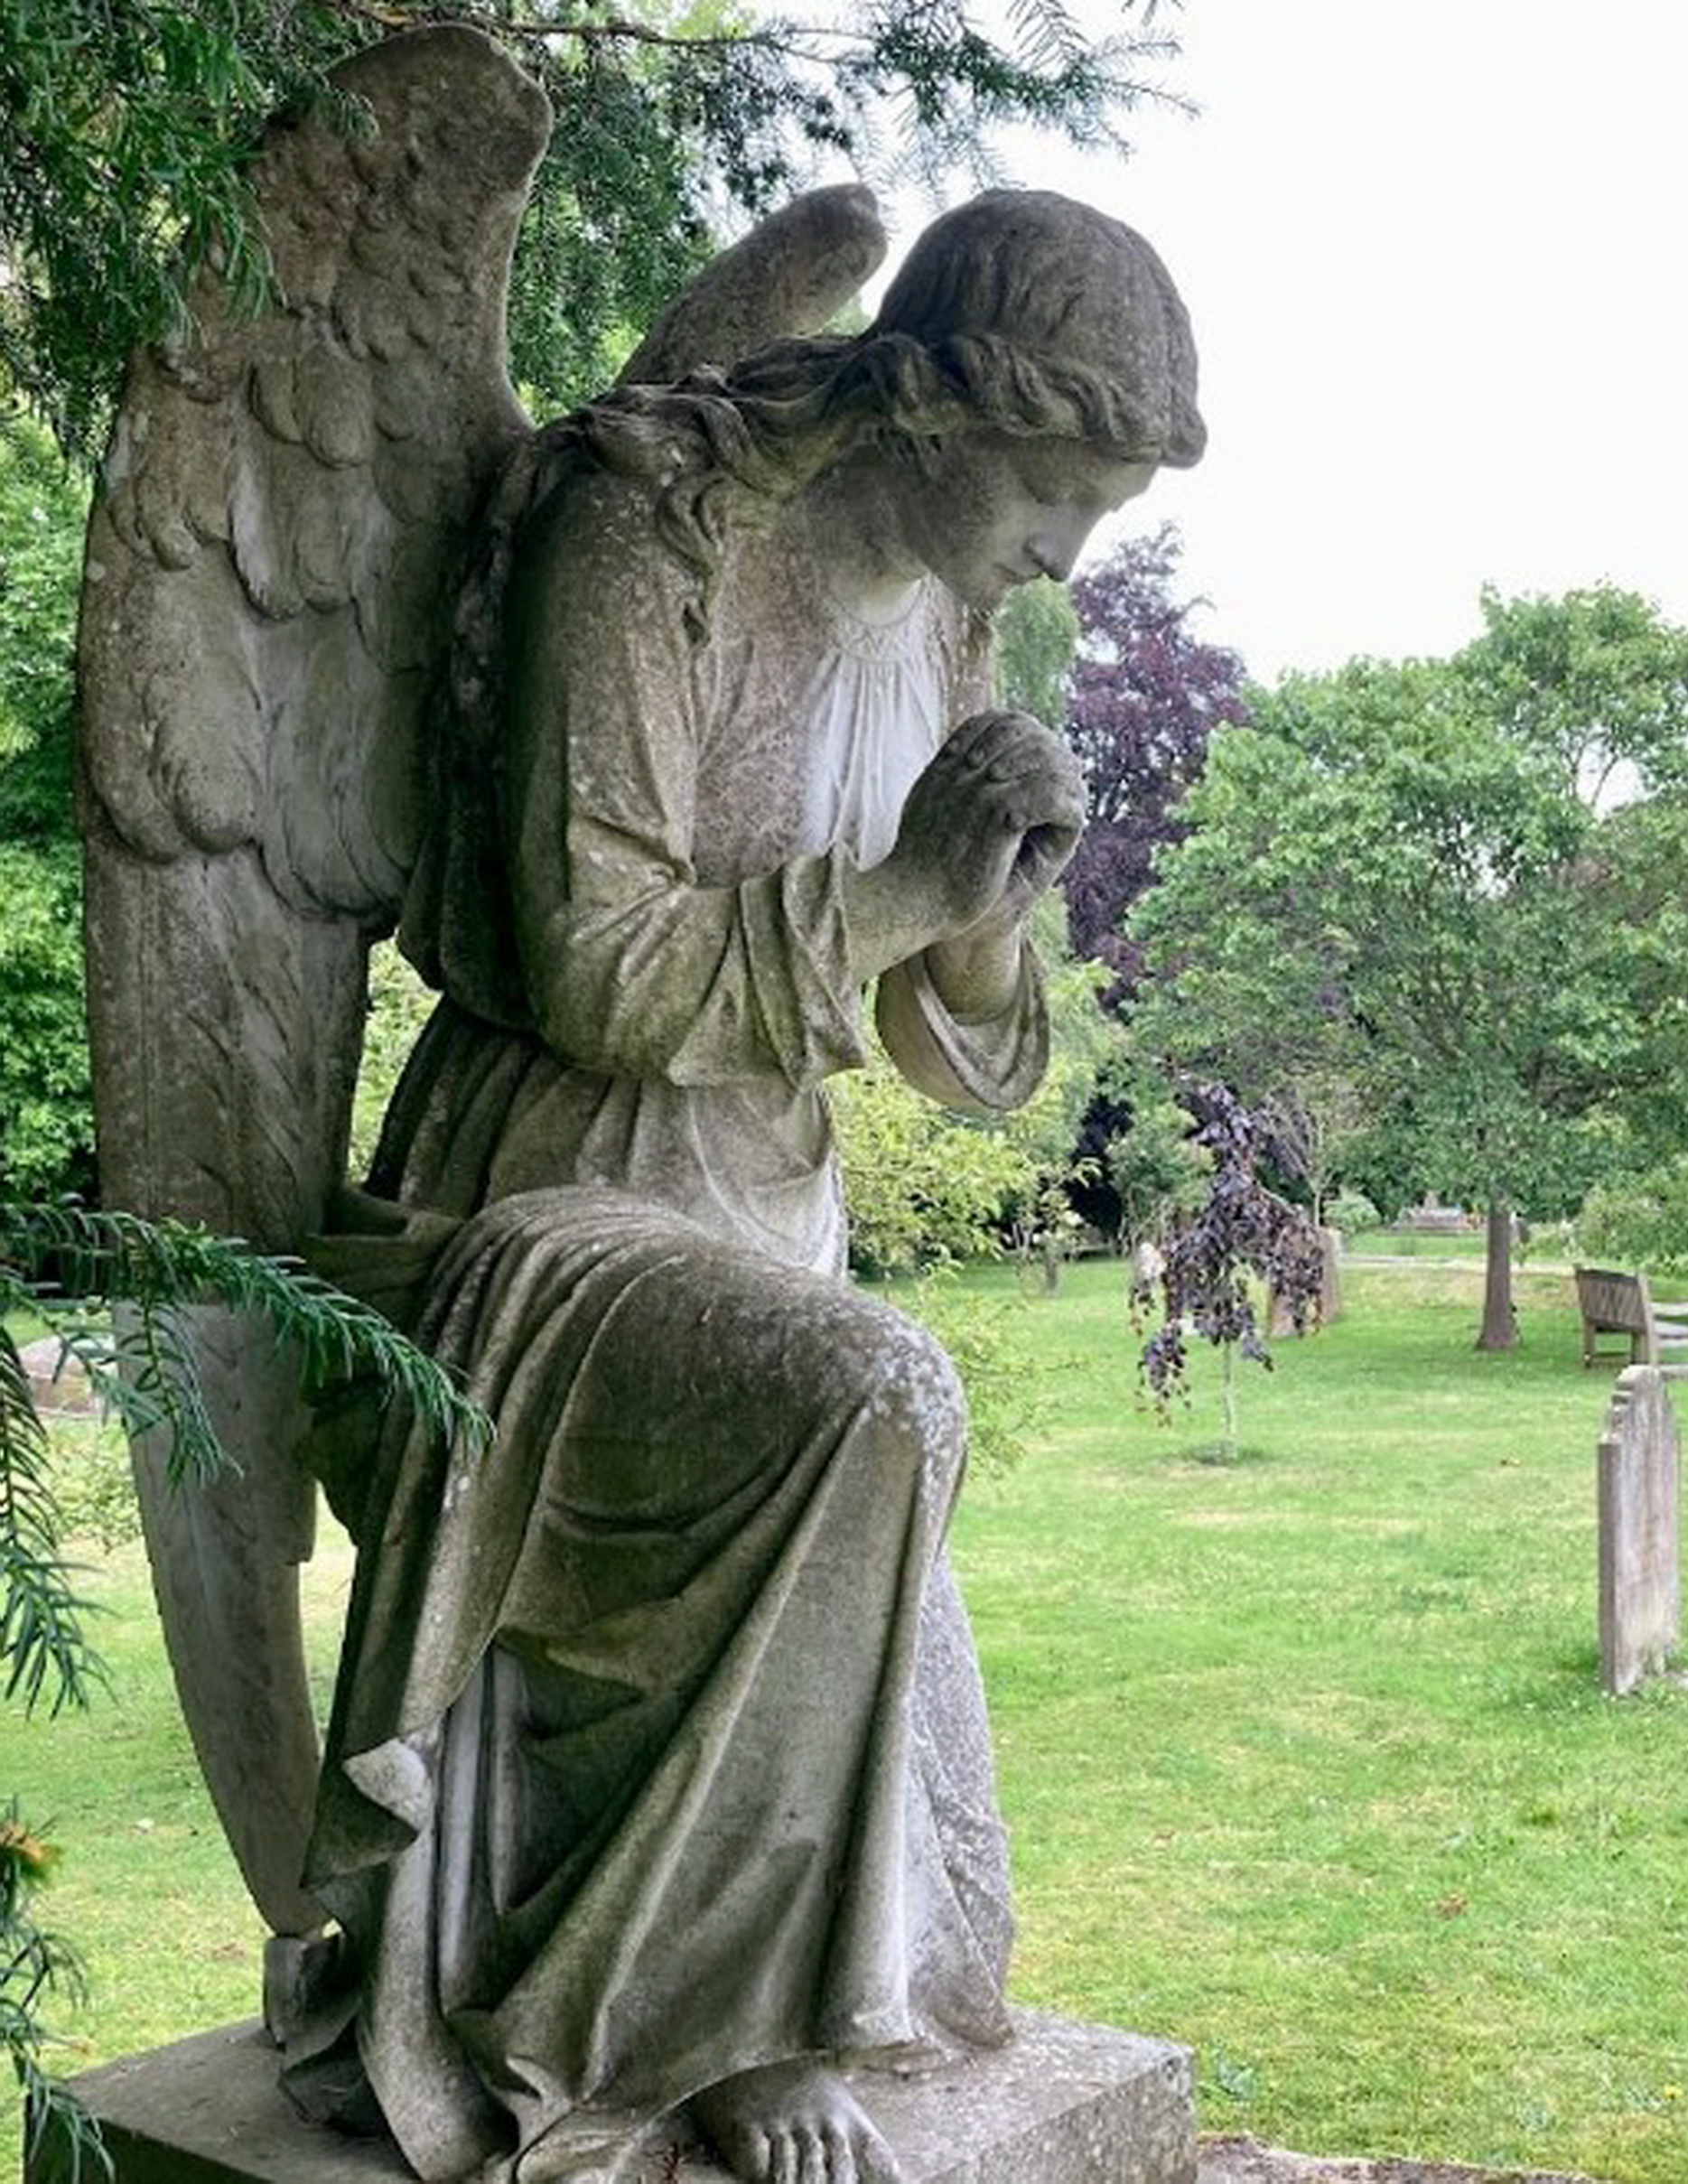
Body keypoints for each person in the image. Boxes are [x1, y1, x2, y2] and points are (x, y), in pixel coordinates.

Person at [288, 191, 1201, 2184]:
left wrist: (980, 916)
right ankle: (703, 2018)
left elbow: (954, 1045)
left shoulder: (944, 612)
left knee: (953, 1934)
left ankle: (739, 1978)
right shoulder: (648, 533)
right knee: (880, 1392)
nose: (1065, 553)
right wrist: (896, 890)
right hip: (539, 1221)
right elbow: (592, 962)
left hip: (769, 1212)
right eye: (1056, 492)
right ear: (940, 404)